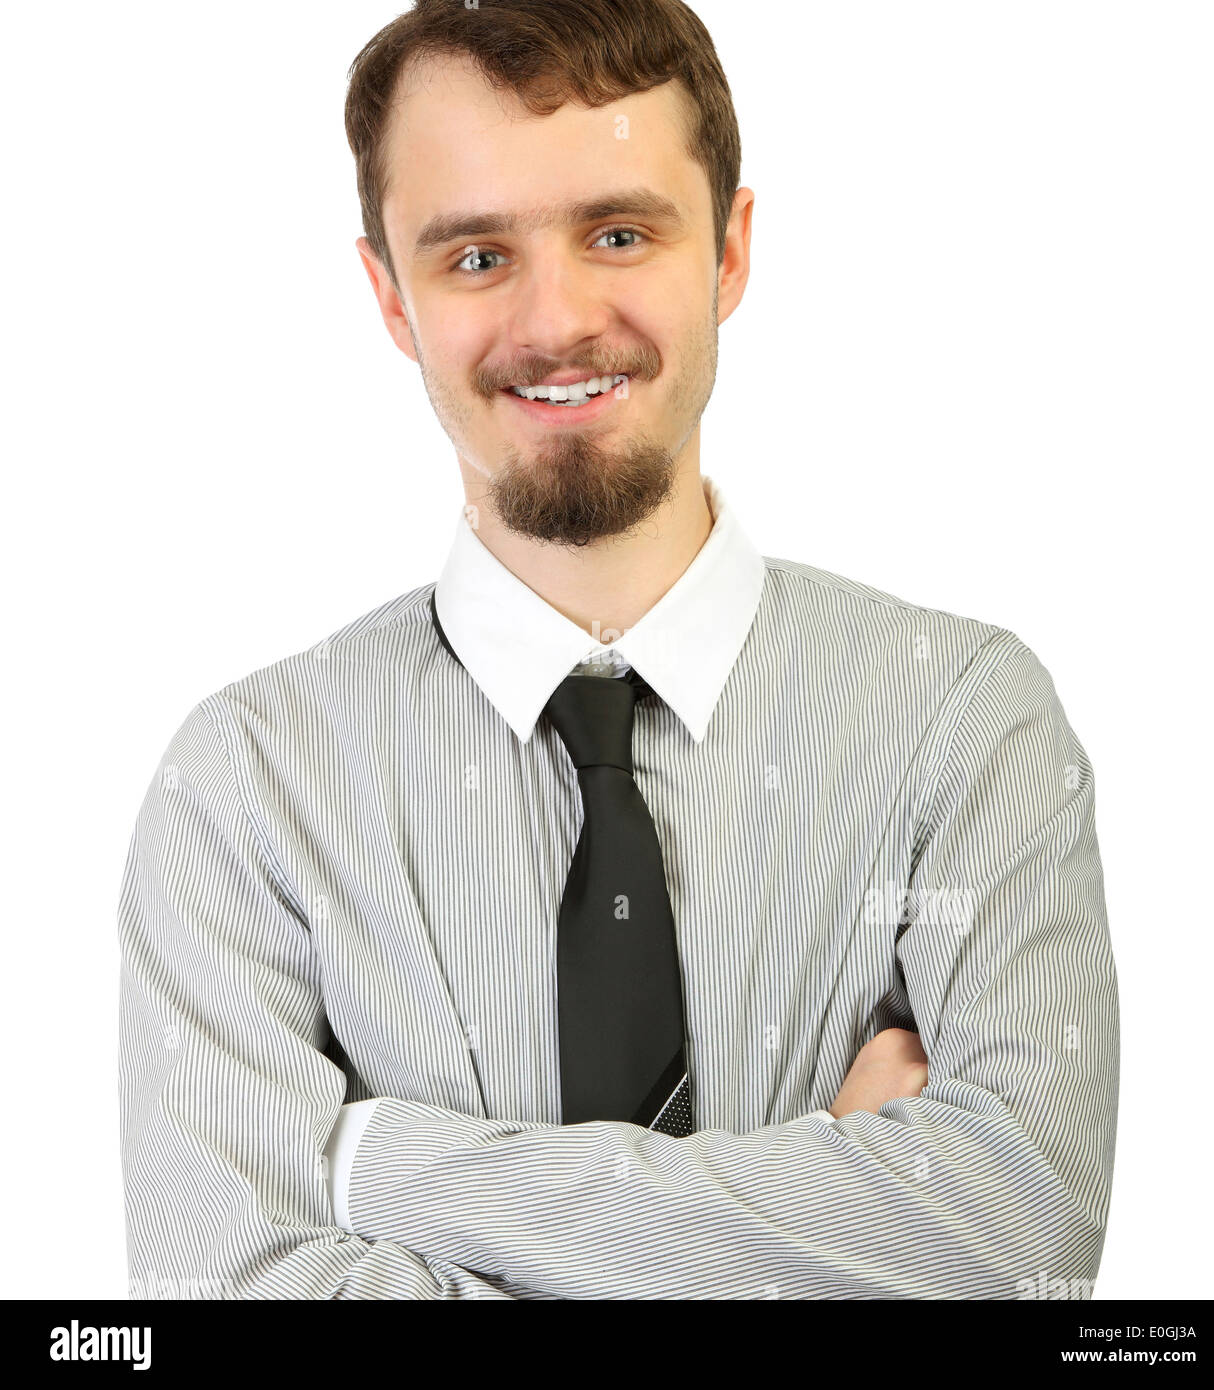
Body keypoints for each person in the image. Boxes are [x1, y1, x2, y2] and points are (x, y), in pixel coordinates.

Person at [118, 0, 1119, 1300]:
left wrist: (375, 1165)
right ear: (389, 297)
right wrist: (830, 1182)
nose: (556, 319)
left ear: (731, 251)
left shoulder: (960, 727)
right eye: (475, 257)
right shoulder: (245, 791)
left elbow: (1016, 1239)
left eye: (618, 233)